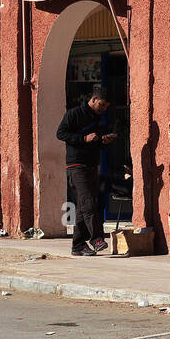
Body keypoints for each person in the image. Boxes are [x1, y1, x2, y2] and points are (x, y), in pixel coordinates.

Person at [56, 86, 117, 256]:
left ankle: (77, 246)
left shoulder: (98, 119)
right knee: (88, 202)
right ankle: (96, 238)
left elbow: (94, 142)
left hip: (91, 165)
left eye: (106, 106)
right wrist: (83, 138)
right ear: (94, 99)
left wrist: (104, 141)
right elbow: (60, 133)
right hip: (76, 166)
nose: (103, 109)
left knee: (84, 208)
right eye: (102, 105)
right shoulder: (74, 114)